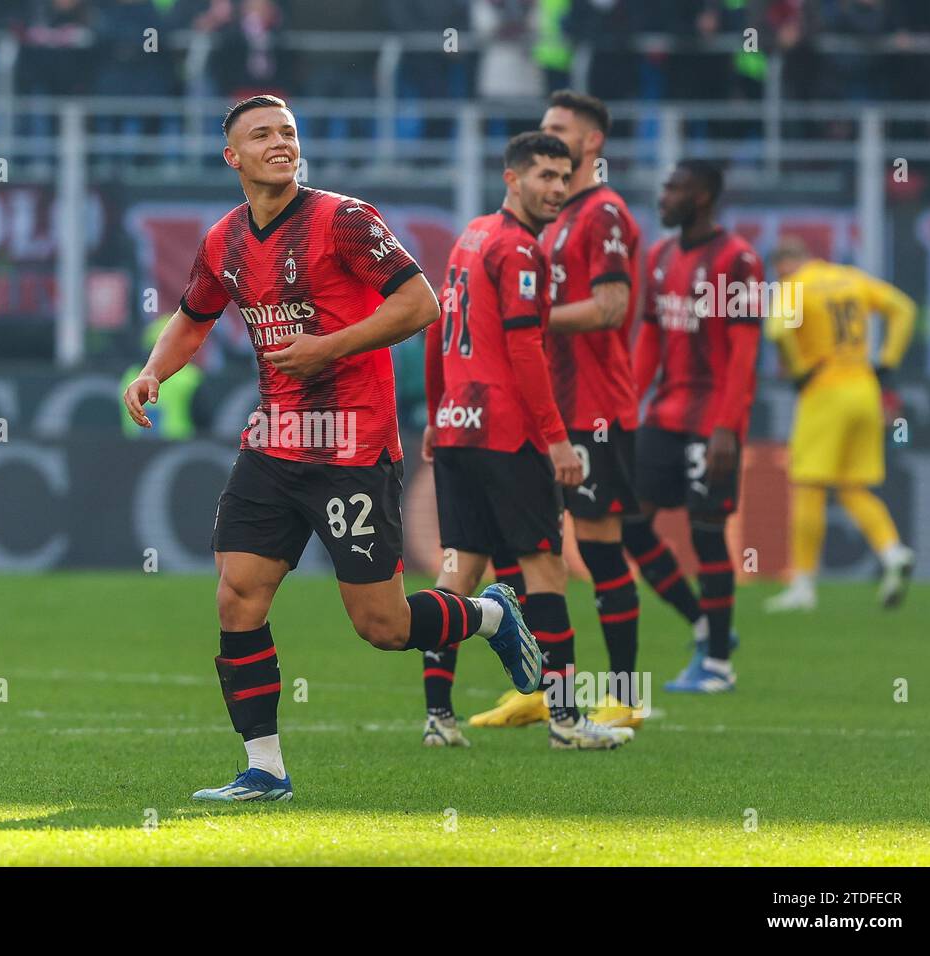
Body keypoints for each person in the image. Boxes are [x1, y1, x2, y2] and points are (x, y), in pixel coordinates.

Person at [122, 95, 540, 802]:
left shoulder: (343, 219)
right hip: (275, 444)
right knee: (238, 597)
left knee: (382, 625)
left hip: (353, 444)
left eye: (287, 131)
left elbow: (420, 304)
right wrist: (153, 371)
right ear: (234, 158)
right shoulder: (223, 240)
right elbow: (194, 317)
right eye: (262, 135)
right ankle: (266, 771)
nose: (280, 143)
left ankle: (490, 612)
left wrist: (326, 349)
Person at [420, 131, 633, 751]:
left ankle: (439, 716)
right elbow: (525, 349)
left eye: (564, 177)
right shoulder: (519, 251)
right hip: (506, 434)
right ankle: (566, 720)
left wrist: (437, 413)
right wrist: (558, 440)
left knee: (459, 570)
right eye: (543, 175)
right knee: (545, 570)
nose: (557, 188)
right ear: (511, 178)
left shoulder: (470, 238)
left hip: (459, 429)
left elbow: (437, 327)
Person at [470, 90, 645, 732]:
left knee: (600, 553)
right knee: (521, 549)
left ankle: (626, 694)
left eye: (558, 128)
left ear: (591, 142)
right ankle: (546, 688)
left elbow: (611, 307)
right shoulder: (556, 216)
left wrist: (528, 321)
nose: (546, 135)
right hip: (540, 407)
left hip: (594, 409)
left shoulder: (603, 213)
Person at [623, 159, 764, 694]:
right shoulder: (658, 258)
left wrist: (728, 427)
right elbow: (651, 341)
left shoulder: (740, 261)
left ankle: (719, 668)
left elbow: (744, 351)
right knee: (632, 522)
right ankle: (706, 625)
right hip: (666, 414)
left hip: (713, 422)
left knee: (707, 535)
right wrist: (627, 405)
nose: (664, 196)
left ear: (702, 197)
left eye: (675, 188)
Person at [762, 237, 916, 612]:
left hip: (825, 391)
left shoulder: (795, 286)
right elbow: (904, 308)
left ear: (785, 263)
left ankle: (803, 585)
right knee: (852, 487)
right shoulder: (849, 278)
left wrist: (799, 371)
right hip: (865, 389)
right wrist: (889, 362)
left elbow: (777, 331)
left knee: (809, 484)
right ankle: (893, 553)